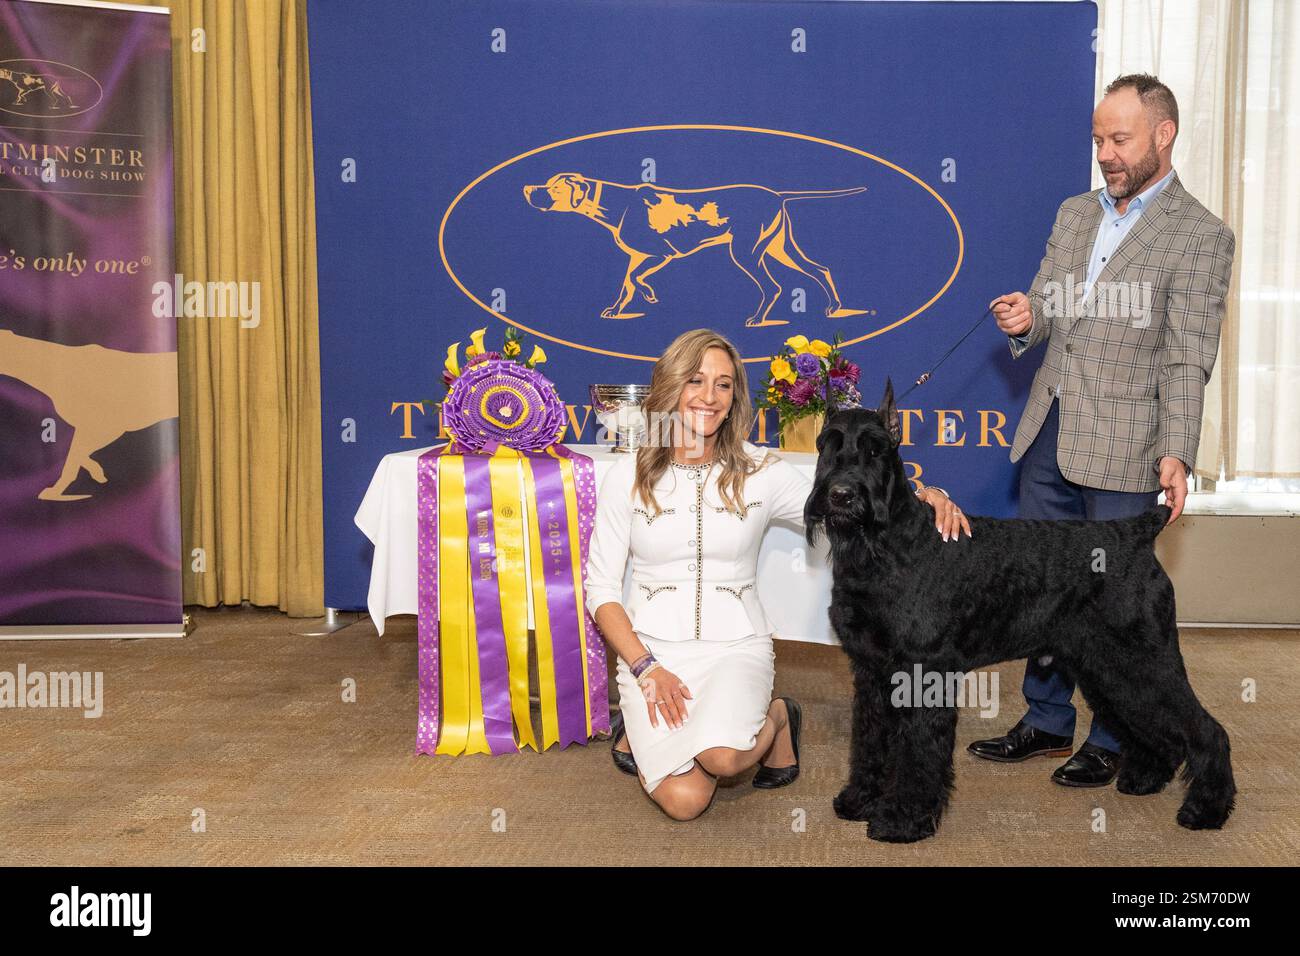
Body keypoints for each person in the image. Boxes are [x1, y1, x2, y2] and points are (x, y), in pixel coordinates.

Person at [584, 328, 969, 820]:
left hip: (735, 648)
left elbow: (852, 494)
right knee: (686, 803)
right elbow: (600, 590)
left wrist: (924, 493)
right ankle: (649, 731)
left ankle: (779, 717)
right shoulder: (627, 476)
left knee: (723, 759)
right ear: (670, 386)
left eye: (723, 385)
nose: (709, 397)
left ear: (735, 397)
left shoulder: (760, 471)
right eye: (696, 380)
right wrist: (645, 668)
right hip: (652, 655)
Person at [971, 73, 1235, 787]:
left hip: (1128, 450)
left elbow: (1188, 356)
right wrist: (1029, 320)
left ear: (1163, 134)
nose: (1106, 155)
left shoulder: (1201, 236)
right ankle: (1046, 720)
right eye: (1098, 141)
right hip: (1050, 431)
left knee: (1114, 609)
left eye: (1119, 140)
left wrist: (1177, 452)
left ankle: (1115, 738)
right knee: (1041, 593)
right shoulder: (1074, 212)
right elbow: (1050, 302)